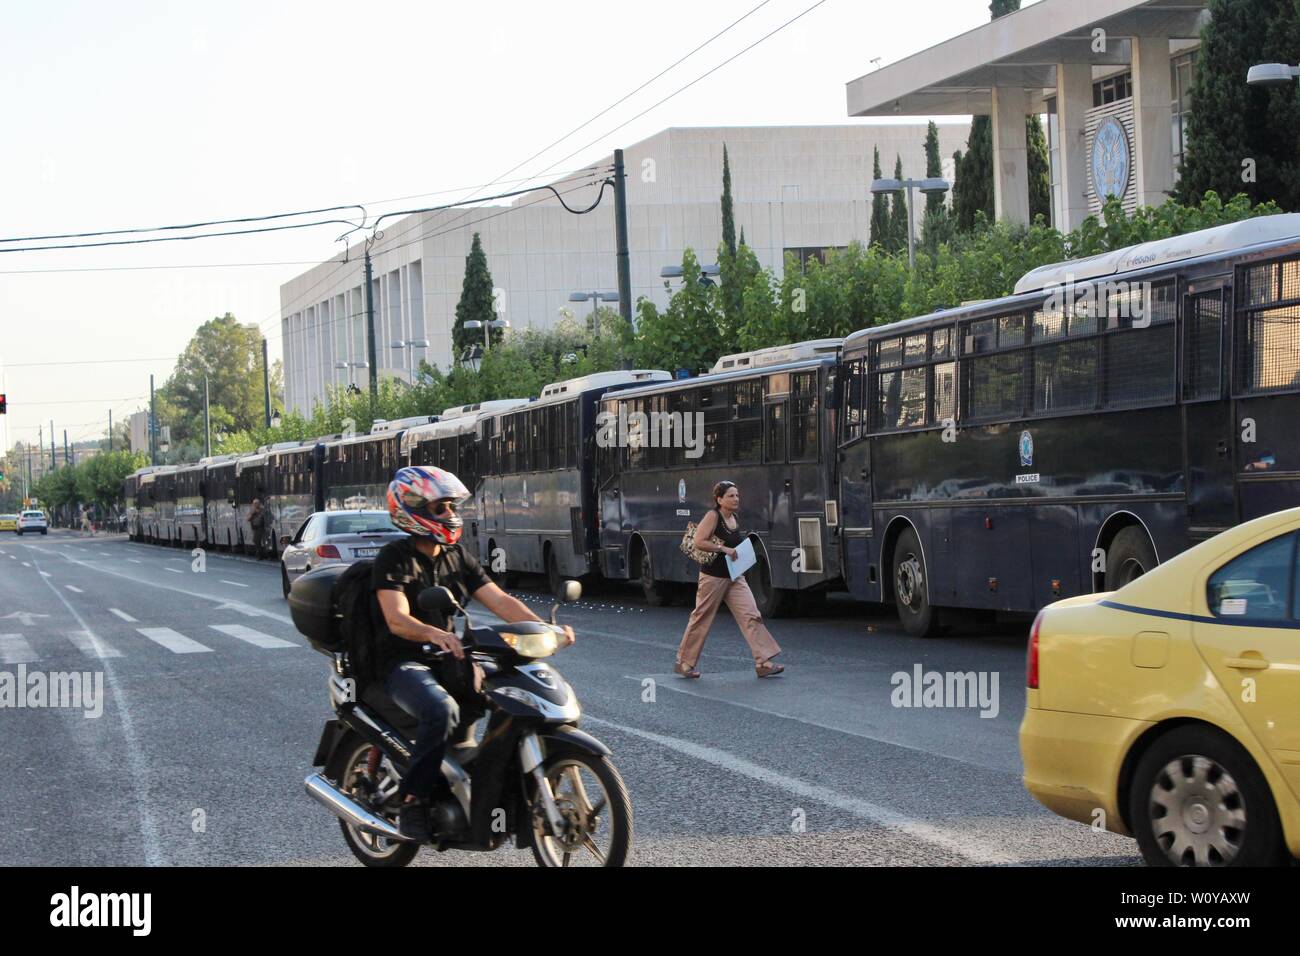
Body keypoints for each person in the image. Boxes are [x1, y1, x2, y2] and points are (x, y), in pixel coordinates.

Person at [372, 465, 574, 843]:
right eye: (440, 508)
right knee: (440, 709)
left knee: (511, 695)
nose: (450, 514)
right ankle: (414, 800)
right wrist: (433, 632)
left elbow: (500, 600)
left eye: (451, 506)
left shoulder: (457, 555)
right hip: (402, 661)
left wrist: (546, 629)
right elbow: (396, 619)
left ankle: (488, 787)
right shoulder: (393, 558)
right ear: (411, 509)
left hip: (450, 656)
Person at [675, 480, 785, 680]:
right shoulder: (713, 516)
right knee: (701, 618)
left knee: (751, 614)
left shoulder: (734, 518)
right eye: (731, 496)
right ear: (719, 499)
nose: (736, 499)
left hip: (734, 576)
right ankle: (684, 662)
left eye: (737, 495)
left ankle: (763, 662)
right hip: (712, 577)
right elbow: (699, 541)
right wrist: (723, 549)